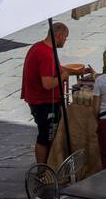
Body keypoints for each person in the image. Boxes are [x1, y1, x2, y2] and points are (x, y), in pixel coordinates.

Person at [20, 22, 92, 165]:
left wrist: (75, 72)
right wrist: (64, 77)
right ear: (58, 36)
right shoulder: (46, 54)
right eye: (65, 37)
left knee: (48, 135)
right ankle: (43, 169)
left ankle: (51, 163)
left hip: (40, 99)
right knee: (45, 137)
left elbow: (57, 68)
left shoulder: (40, 47)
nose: (65, 40)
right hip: (43, 102)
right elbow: (47, 84)